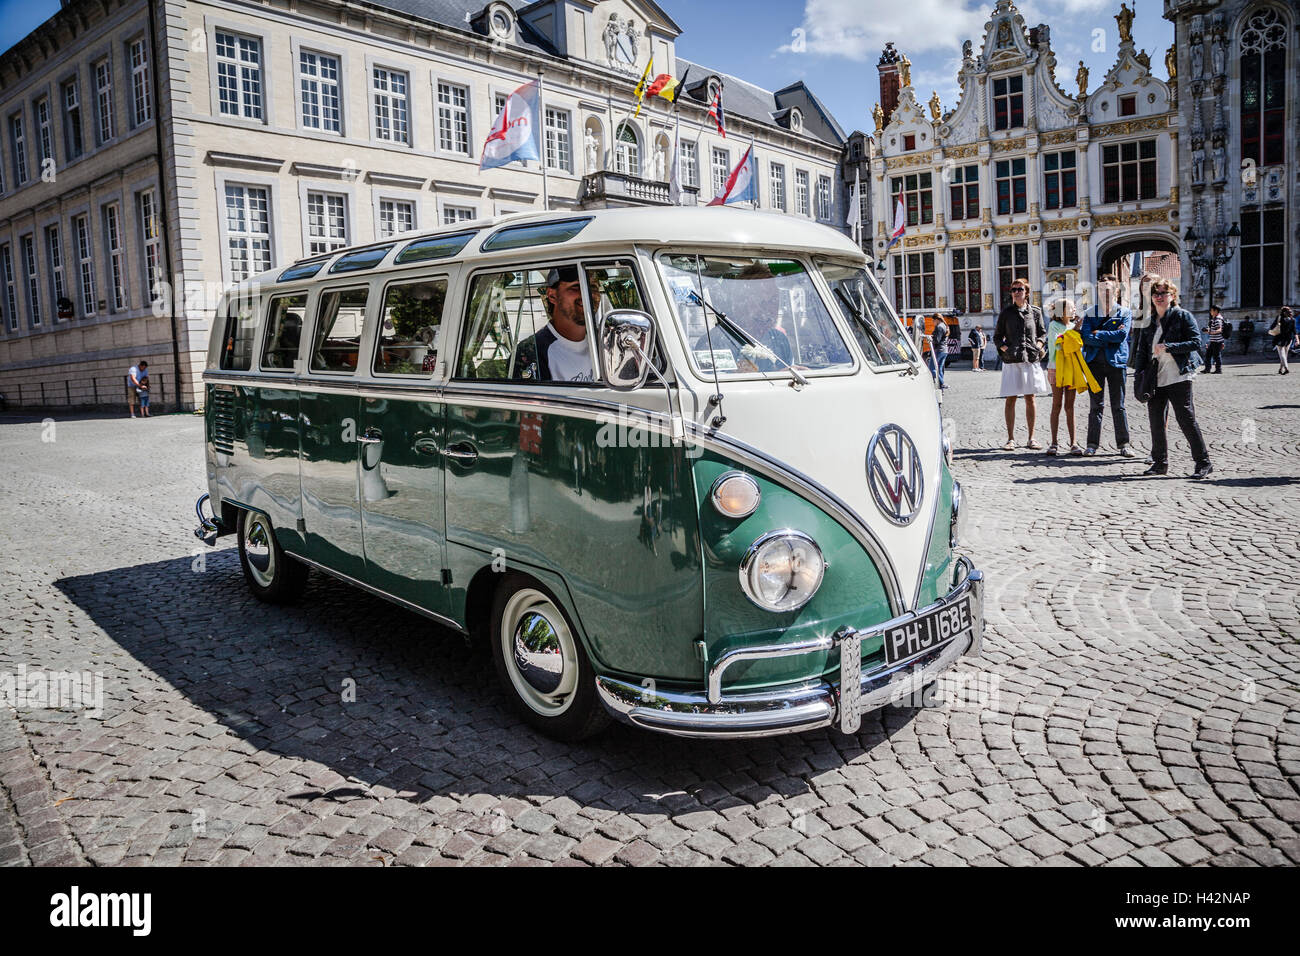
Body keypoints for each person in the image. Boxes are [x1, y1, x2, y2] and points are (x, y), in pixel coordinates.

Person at [1133, 278, 1212, 478]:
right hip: (1154, 376)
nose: (1159, 297)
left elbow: (1196, 342)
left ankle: (1203, 462)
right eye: (1156, 294)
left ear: (1172, 296)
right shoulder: (1148, 321)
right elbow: (1141, 351)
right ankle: (1160, 463)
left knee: (1186, 418)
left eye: (1163, 293)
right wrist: (1138, 376)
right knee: (1156, 421)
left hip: (1179, 374)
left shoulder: (1182, 316)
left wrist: (1169, 346)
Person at [693, 262, 793, 372]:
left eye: (773, 301)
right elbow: (708, 384)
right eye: (761, 302)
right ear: (739, 304)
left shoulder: (779, 340)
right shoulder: (714, 342)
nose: (768, 311)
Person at [513, 266, 601, 382]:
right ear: (552, 296)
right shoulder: (531, 353)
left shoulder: (605, 341)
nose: (589, 294)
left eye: (593, 286)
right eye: (576, 286)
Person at [1080, 275, 1135, 457]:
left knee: (1118, 405)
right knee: (1096, 405)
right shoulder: (1089, 313)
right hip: (1094, 363)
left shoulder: (1125, 313)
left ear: (1116, 291)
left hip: (1116, 362)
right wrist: (1108, 336)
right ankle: (1092, 444)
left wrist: (1098, 334)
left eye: (1109, 289)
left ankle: (1124, 444)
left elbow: (1121, 337)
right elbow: (1086, 337)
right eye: (1102, 288)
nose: (1106, 292)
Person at [993, 278, 1048, 450]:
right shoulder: (1006, 313)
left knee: (1030, 398)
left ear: (1027, 293)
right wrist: (1005, 349)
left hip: (1030, 359)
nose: (1016, 292)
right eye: (1014, 289)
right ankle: (1010, 439)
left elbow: (1043, 334)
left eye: (1020, 289)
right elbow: (996, 337)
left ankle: (1032, 438)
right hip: (1012, 361)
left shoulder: (1036, 312)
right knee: (1010, 399)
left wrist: (1038, 346)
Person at [1044, 299, 1082, 455]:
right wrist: (1075, 333)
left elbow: (1079, 345)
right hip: (1056, 368)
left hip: (1071, 369)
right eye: (1072, 308)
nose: (1074, 310)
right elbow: (1058, 345)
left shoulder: (1074, 327)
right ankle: (1054, 442)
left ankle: (1073, 443)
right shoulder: (1054, 326)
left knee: (1070, 407)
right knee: (1057, 405)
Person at [1267, 306, 1297, 375]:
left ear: (1282, 312)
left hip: (1280, 338)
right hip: (1289, 338)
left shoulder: (1280, 318)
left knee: (1281, 354)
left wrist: (1272, 329)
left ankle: (1286, 368)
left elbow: (1272, 326)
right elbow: (1294, 331)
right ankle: (1280, 369)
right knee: (1285, 355)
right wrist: (1297, 340)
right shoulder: (1292, 319)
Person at [929, 316, 950, 388]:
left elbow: (937, 340)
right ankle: (941, 386)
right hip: (944, 350)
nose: (933, 322)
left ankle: (942, 383)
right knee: (940, 369)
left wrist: (930, 338)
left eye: (933, 320)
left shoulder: (939, 327)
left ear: (937, 320)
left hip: (938, 350)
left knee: (932, 368)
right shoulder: (945, 326)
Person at [1204, 305, 1225, 374]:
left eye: (1211, 310)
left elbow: (1219, 330)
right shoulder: (1214, 319)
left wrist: (1210, 332)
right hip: (1213, 341)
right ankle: (1207, 369)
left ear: (1215, 311)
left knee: (1216, 356)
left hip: (1217, 341)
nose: (1210, 312)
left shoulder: (1218, 320)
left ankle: (1218, 370)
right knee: (1208, 355)